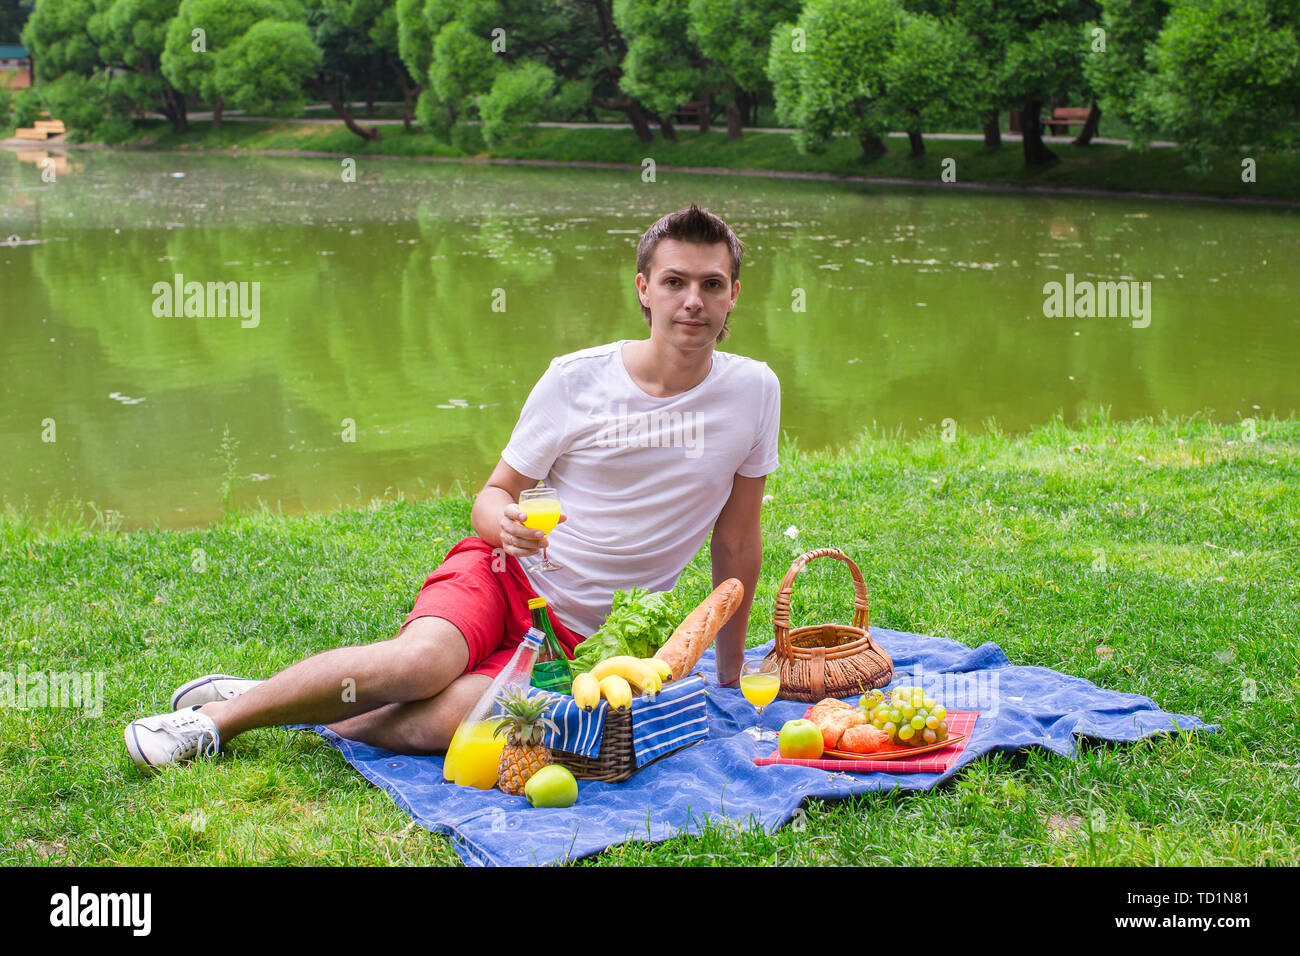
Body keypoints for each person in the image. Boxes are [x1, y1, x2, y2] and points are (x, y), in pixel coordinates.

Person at [124, 202, 781, 772]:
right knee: (421, 667)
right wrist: (506, 527)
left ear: (733, 295)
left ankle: (286, 699)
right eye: (674, 282)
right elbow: (492, 496)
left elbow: (737, 539)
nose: (692, 300)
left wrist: (729, 672)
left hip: (588, 641)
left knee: (481, 713)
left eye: (710, 283)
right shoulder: (576, 379)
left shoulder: (754, 391)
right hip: (504, 577)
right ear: (644, 289)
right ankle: (215, 726)